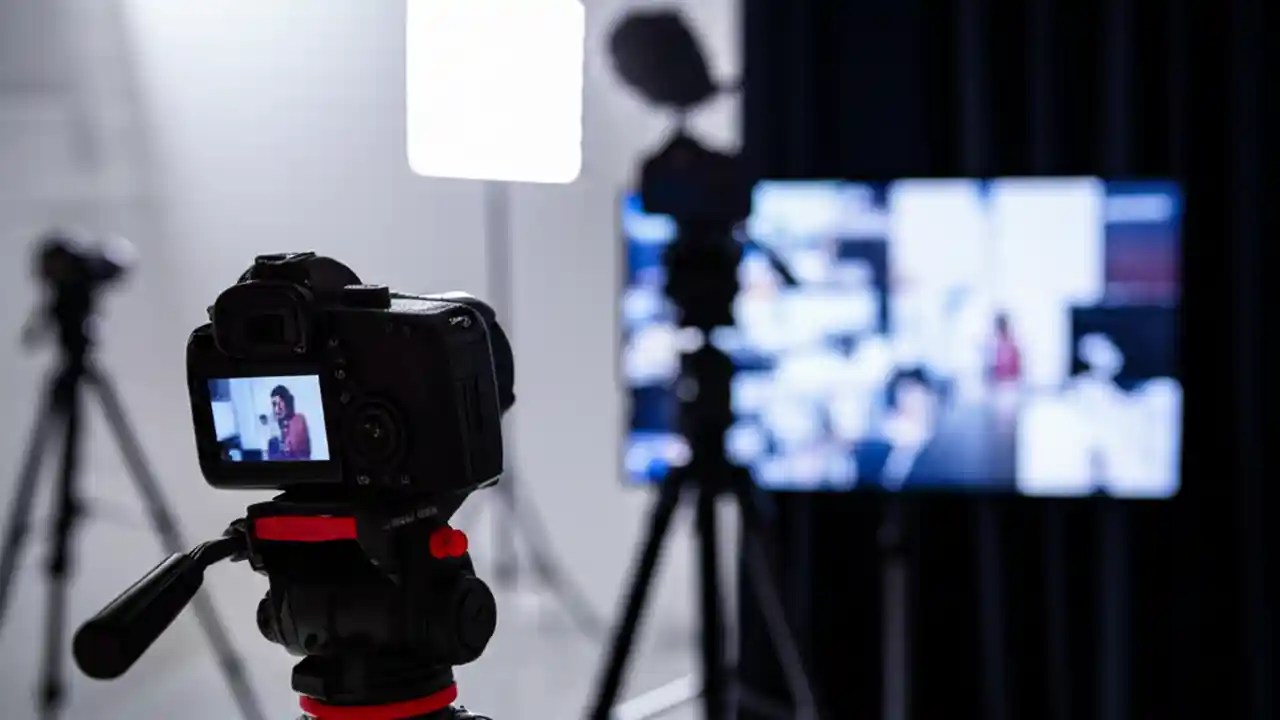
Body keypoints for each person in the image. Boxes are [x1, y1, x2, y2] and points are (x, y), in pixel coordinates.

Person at [270, 385, 311, 460]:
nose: (277, 408)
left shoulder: (298, 419)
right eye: (274, 404)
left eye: (280, 403)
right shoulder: (282, 424)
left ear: (287, 402)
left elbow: (291, 451)